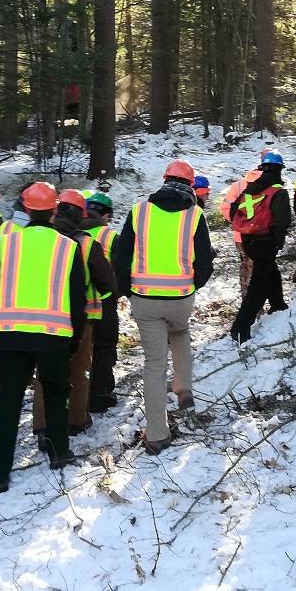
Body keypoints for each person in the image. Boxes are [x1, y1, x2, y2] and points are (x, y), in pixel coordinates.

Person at [0, 183, 88, 492]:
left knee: (8, 403)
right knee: (55, 392)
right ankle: (58, 451)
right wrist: (75, 337)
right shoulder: (68, 247)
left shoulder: (8, 244)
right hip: (54, 337)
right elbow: (77, 300)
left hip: (11, 337)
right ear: (54, 210)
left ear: (26, 210)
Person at [110, 160, 215, 453]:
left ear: (164, 179)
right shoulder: (194, 215)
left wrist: (129, 290)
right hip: (180, 297)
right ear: (191, 187)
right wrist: (193, 286)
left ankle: (156, 434)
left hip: (144, 299)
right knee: (180, 333)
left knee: (154, 364)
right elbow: (205, 261)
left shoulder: (139, 211)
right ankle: (183, 388)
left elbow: (121, 256)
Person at [32, 190, 114, 438]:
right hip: (83, 316)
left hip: (44, 314)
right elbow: (106, 282)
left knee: (44, 372)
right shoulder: (86, 243)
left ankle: (42, 424)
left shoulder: (36, 238)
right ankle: (76, 419)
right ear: (80, 214)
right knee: (80, 370)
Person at [227, 151, 292, 342]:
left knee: (271, 272)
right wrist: (277, 243)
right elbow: (282, 221)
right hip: (266, 242)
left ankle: (278, 306)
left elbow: (233, 211)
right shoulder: (278, 192)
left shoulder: (248, 189)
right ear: (279, 169)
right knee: (259, 285)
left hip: (248, 240)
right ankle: (240, 328)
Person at [82, 192, 121, 413]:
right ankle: (100, 393)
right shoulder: (110, 236)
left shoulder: (68, 231)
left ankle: (77, 395)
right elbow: (120, 267)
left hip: (72, 302)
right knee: (104, 348)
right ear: (106, 215)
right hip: (103, 301)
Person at [221, 170, 263, 300]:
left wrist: (236, 223)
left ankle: (247, 298)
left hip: (240, 236)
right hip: (261, 235)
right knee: (261, 267)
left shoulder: (239, 185)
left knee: (247, 266)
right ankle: (256, 301)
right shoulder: (269, 186)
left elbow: (224, 206)